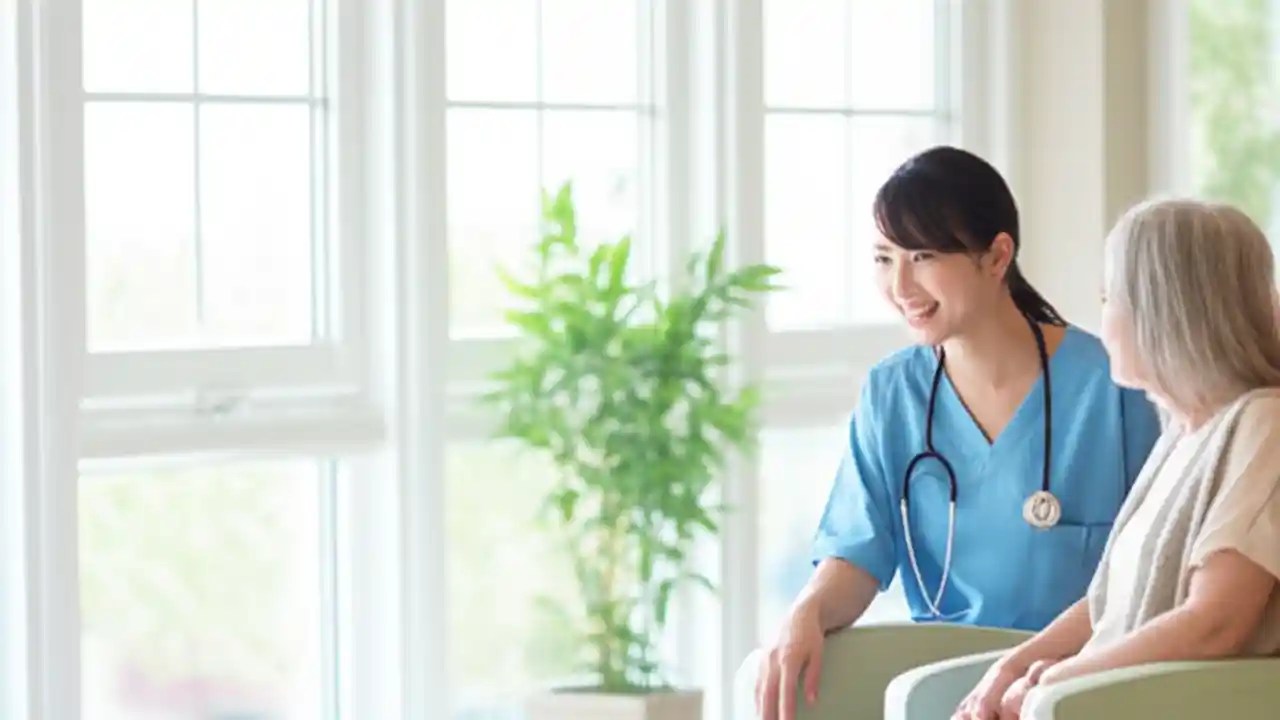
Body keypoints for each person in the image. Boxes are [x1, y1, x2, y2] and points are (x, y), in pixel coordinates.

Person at [748, 146, 1162, 720]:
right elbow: (859, 552)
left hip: (1073, 683)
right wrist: (807, 612)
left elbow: (1152, 567)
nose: (901, 285)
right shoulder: (893, 393)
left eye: (922, 255)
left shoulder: (1116, 385)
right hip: (943, 689)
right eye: (883, 258)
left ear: (996, 257)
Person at [954, 199, 1280, 720]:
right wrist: (1012, 669)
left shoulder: (1263, 426)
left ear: (1165, 312)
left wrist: (1057, 682)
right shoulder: (1184, 430)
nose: (1100, 319)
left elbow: (1217, 622)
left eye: (1109, 298)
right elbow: (1108, 605)